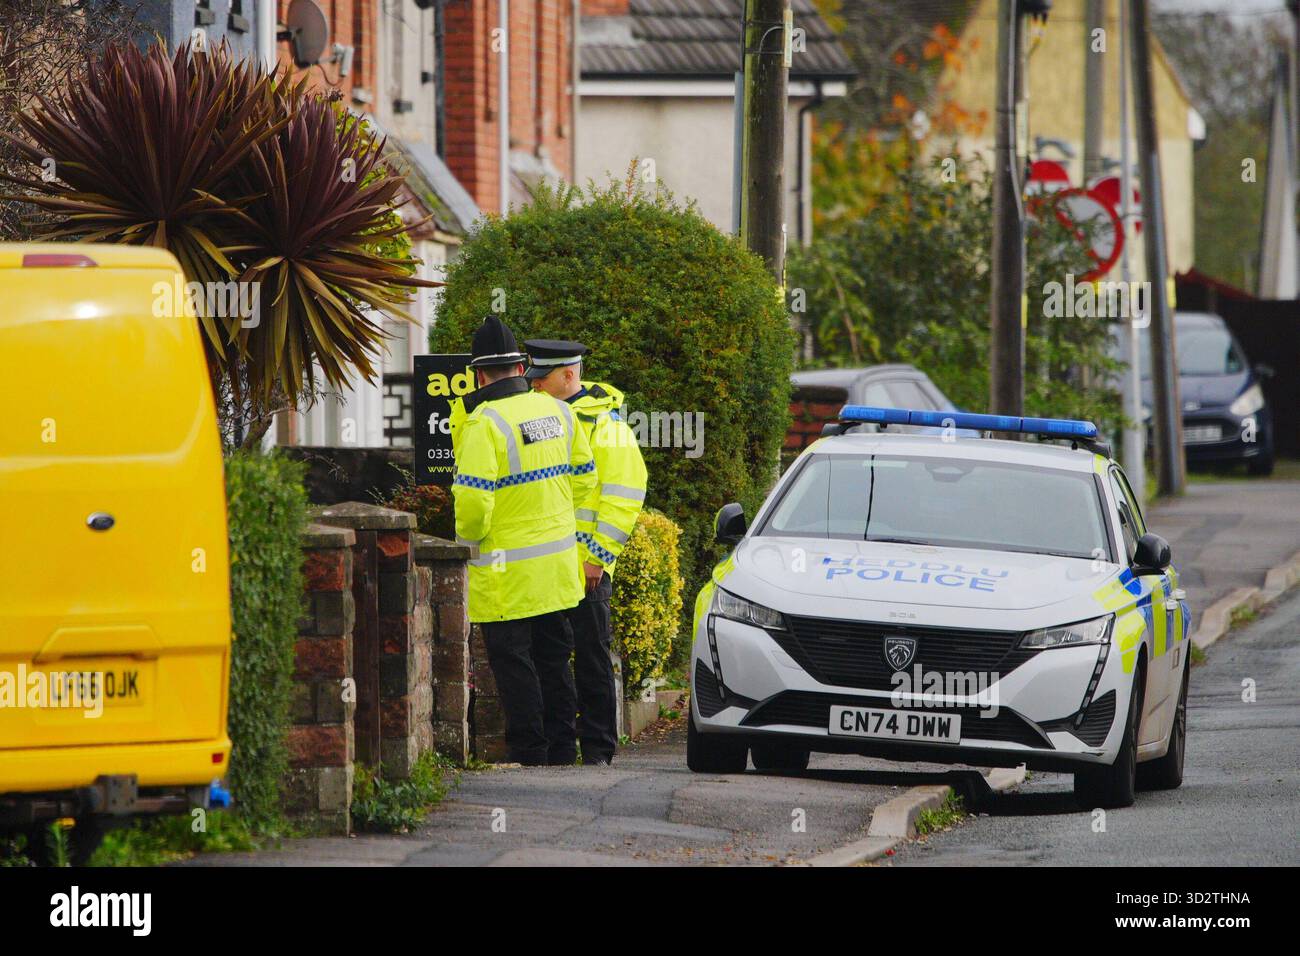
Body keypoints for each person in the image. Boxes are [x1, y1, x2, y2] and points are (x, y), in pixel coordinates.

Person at [448, 317, 598, 766]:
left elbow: (473, 505)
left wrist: (468, 544)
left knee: (514, 663)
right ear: (520, 368)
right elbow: (585, 481)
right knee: (554, 659)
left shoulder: (484, 424)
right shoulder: (560, 412)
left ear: (479, 375)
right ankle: (562, 749)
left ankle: (531, 753)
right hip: (556, 572)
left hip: (506, 575)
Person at [525, 339, 648, 766]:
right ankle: (560, 749)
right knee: (550, 657)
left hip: (586, 567)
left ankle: (598, 750)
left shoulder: (607, 428)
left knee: (592, 656)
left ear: (568, 375)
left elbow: (624, 497)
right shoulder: (539, 419)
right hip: (548, 563)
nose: (534, 386)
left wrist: (597, 556)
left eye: (541, 379)